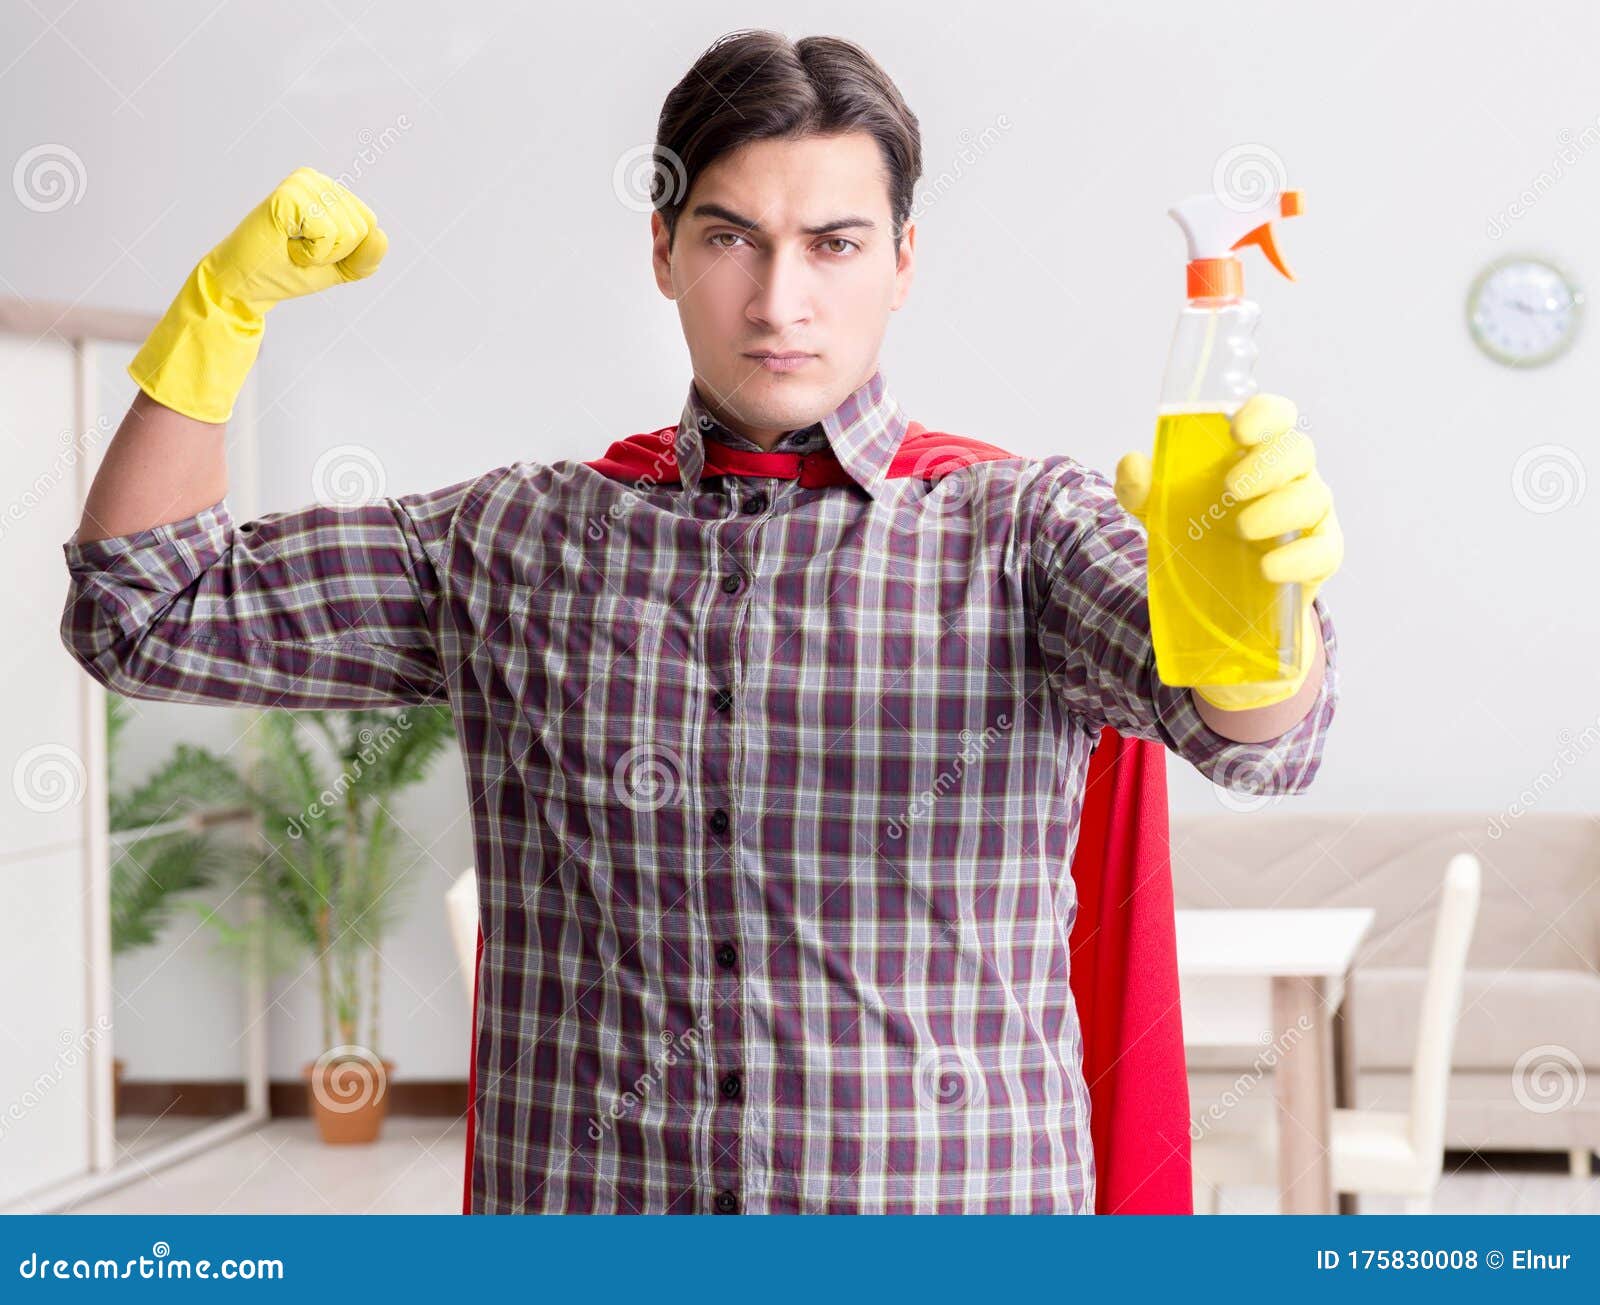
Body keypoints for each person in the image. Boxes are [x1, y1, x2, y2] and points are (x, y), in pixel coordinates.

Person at [60, 29, 1342, 1214]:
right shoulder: (513, 541)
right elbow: (148, 611)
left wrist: (1258, 605)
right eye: (733, 238)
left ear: (903, 261)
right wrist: (216, 321)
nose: (781, 300)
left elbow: (1256, 739)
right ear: (662, 248)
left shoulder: (1023, 534)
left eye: (835, 243)